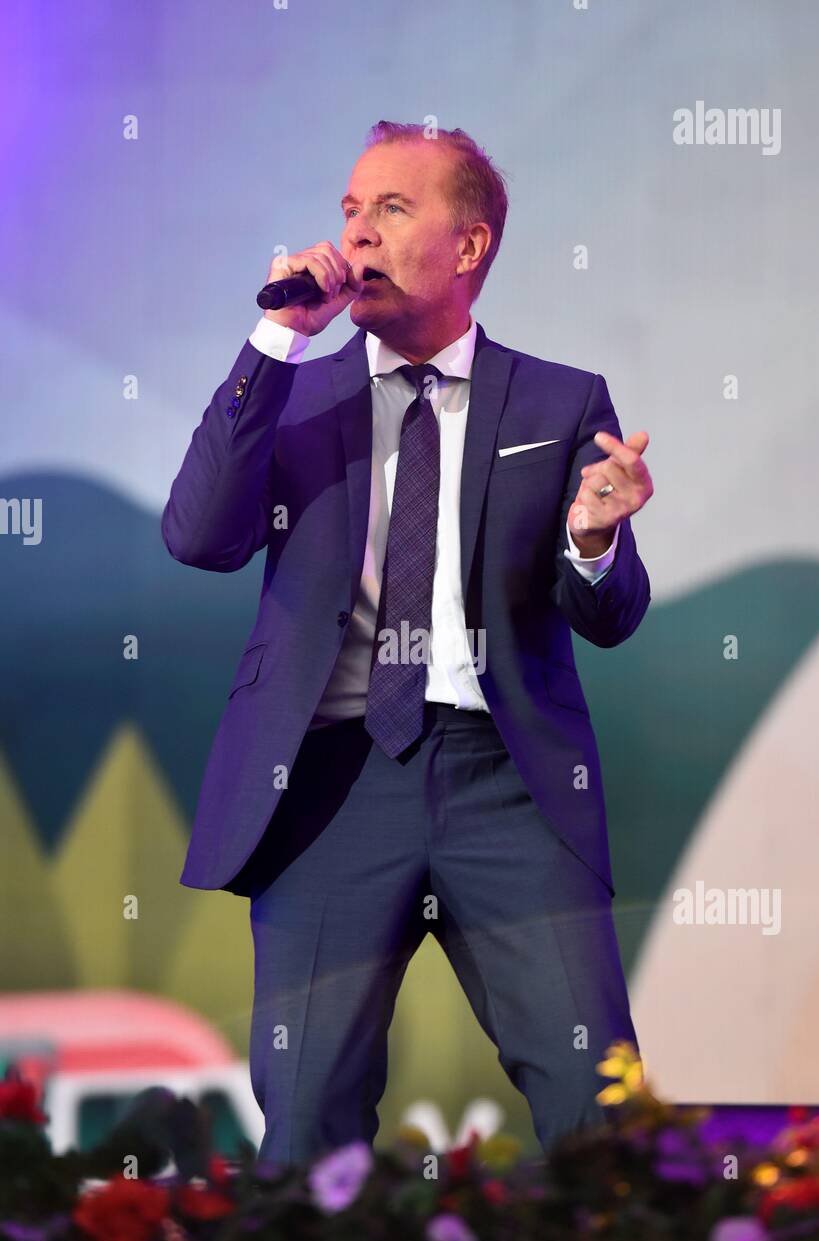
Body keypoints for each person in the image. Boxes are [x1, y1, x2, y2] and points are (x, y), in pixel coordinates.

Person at [162, 120, 655, 1166]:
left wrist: (591, 539)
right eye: (349, 209)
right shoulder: (291, 391)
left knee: (597, 1106)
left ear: (468, 247)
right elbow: (199, 538)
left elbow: (608, 615)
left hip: (504, 778)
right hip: (329, 779)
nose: (357, 232)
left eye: (391, 208)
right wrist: (278, 339)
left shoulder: (561, 400)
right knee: (304, 1126)